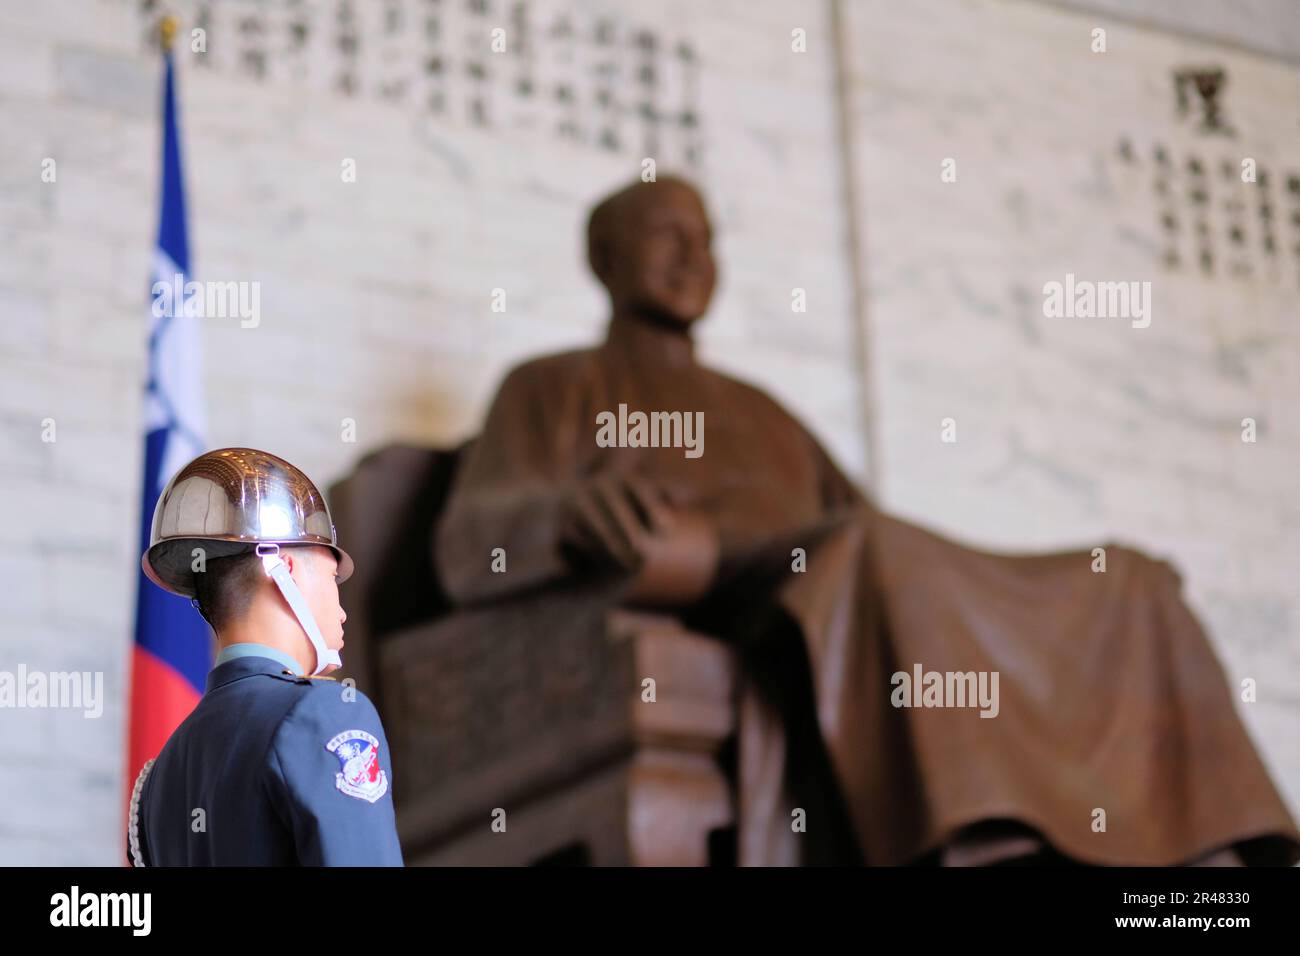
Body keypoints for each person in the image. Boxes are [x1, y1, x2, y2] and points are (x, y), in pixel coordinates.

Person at [435, 175, 1300, 866]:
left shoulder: (762, 410)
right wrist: (567, 512)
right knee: (864, 553)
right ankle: (976, 840)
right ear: (605, 257)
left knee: (1130, 578)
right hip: (712, 589)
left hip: (834, 573)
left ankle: (1207, 852)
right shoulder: (550, 385)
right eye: (668, 235)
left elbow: (883, 542)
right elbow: (471, 540)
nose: (694, 256)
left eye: (707, 238)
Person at [128, 447, 404, 866]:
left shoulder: (162, 776)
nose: (343, 611)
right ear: (285, 570)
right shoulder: (324, 714)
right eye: (333, 577)